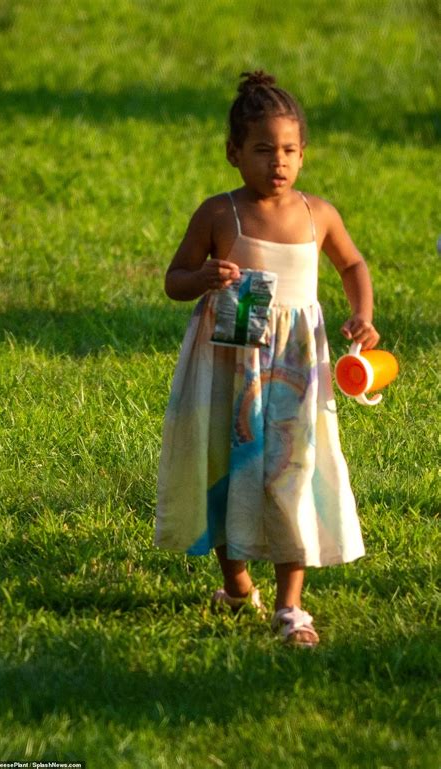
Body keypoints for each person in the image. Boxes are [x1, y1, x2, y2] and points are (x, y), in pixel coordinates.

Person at [155, 70, 380, 647]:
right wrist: (202, 277)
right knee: (227, 472)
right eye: (261, 150)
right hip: (228, 368)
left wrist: (363, 313)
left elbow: (352, 265)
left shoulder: (317, 213)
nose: (276, 163)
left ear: (303, 154)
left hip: (294, 373)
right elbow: (174, 280)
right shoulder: (218, 214)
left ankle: (290, 606)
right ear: (233, 153)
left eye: (288, 150)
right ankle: (236, 588)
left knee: (292, 472)